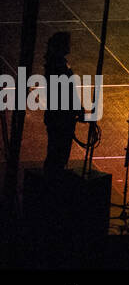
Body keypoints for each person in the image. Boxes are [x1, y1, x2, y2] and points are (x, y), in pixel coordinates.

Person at [42, 31, 83, 176]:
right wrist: (77, 109)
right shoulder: (58, 66)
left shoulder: (56, 64)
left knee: (56, 152)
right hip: (61, 117)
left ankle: (52, 181)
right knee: (59, 153)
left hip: (59, 116)